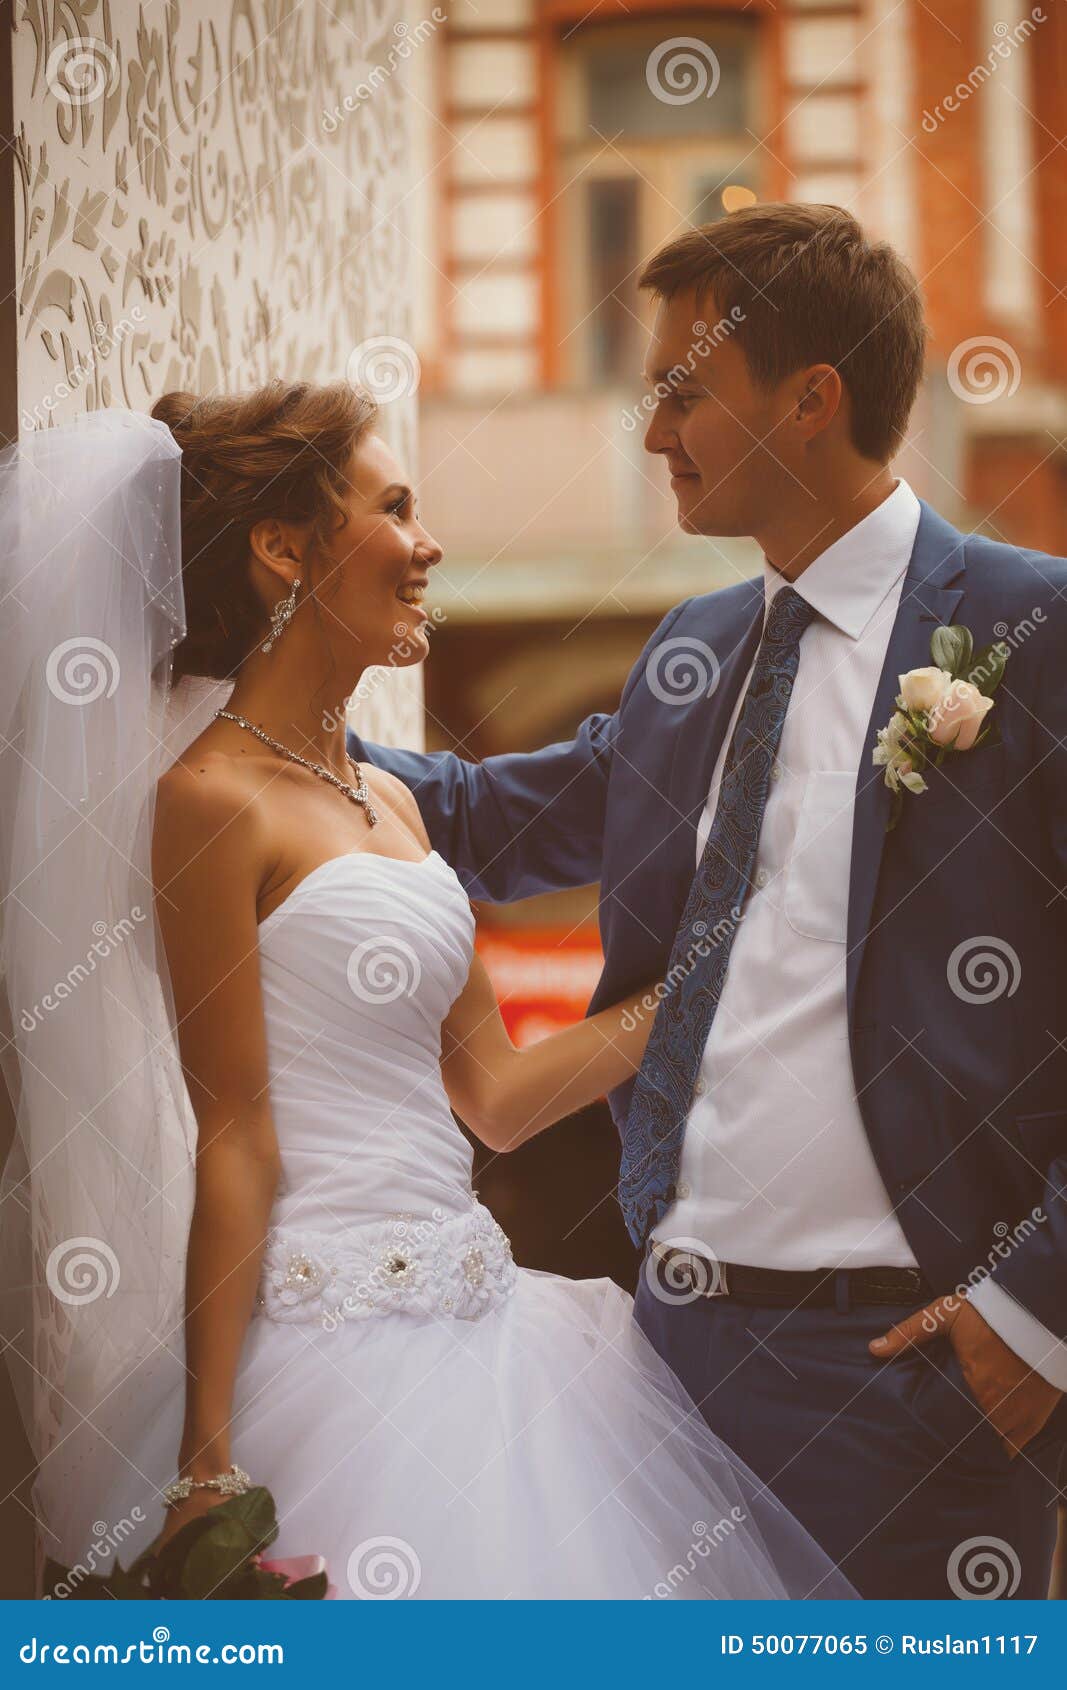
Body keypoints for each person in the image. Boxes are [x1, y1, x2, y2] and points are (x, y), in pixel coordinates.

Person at [0, 392, 852, 1601]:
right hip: (325, 1356)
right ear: (284, 550)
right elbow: (233, 1132)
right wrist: (203, 1454)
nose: (429, 541)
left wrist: (710, 974)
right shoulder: (208, 803)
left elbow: (496, 1098)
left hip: (490, 1323)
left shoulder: (386, 803)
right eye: (395, 507)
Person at [353, 202, 1067, 1600]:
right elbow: (490, 820)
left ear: (810, 401)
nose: (648, 431)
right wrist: (251, 723)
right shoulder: (695, 647)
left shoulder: (1030, 630)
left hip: (914, 1379)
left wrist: (1028, 1316)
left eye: (682, 391)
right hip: (661, 1364)